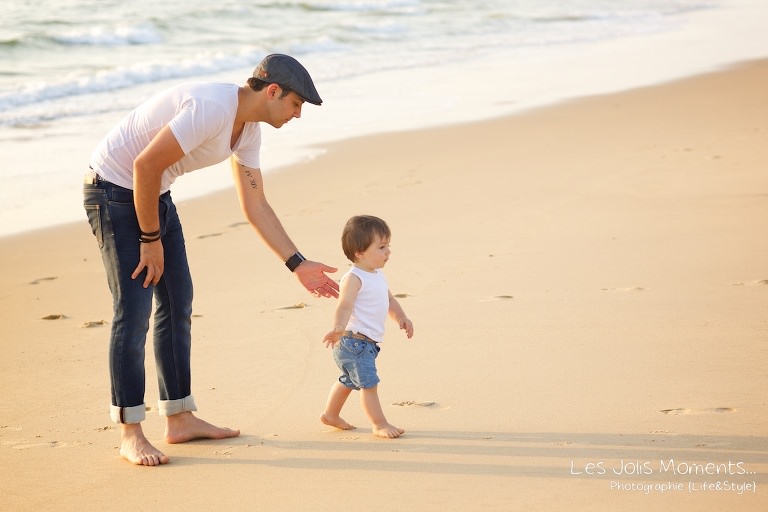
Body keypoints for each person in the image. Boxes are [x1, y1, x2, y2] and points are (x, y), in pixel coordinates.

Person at [83, 54, 339, 466]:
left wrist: (297, 263)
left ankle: (180, 418)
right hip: (114, 191)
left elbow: (255, 204)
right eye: (296, 104)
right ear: (273, 91)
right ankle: (130, 432)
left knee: (177, 301)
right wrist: (150, 238)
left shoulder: (248, 130)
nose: (297, 114)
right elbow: (143, 165)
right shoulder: (212, 108)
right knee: (133, 311)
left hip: (153, 194)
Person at [320, 215, 414, 439]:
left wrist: (401, 317)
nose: (388, 252)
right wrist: (338, 327)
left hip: (364, 344)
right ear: (359, 252)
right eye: (382, 247)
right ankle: (379, 423)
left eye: (388, 246)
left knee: (349, 381)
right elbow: (344, 305)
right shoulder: (353, 278)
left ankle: (330, 415)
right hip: (354, 342)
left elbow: (389, 300)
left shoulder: (377, 275)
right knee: (369, 385)